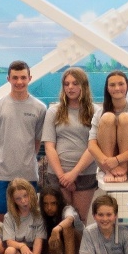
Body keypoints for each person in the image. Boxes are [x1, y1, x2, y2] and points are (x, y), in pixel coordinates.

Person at [0, 60, 46, 216]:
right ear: (8, 79)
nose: (19, 82)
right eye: (15, 78)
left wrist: (27, 159)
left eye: (23, 78)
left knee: (28, 219)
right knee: (0, 219)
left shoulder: (40, 108)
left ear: (30, 78)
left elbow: (37, 140)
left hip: (28, 174)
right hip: (2, 174)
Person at [42, 67, 99, 220]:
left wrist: (73, 174)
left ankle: (79, 246)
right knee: (62, 221)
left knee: (79, 220)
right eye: (66, 84)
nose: (70, 87)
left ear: (83, 86)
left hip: (85, 174)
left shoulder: (96, 111)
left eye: (75, 83)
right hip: (58, 175)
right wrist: (63, 177)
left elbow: (94, 147)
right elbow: (49, 147)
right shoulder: (54, 111)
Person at [92, 71, 128, 183]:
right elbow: (91, 145)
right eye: (112, 85)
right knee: (107, 117)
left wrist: (118, 160)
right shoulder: (100, 112)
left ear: (127, 86)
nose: (117, 88)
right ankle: (110, 171)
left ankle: (123, 167)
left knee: (125, 118)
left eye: (121, 84)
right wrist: (108, 163)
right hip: (107, 163)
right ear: (107, 88)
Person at [0, 178, 48, 254]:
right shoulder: (9, 217)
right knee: (9, 252)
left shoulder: (38, 215)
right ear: (13, 200)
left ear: (31, 193)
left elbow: (38, 241)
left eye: (25, 196)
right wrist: (21, 246)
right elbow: (9, 242)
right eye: (18, 199)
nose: (23, 201)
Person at [39, 186, 82, 254]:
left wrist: (56, 229)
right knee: (46, 240)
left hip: (80, 249)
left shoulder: (67, 209)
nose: (49, 208)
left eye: (53, 203)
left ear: (59, 202)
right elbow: (44, 251)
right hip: (61, 250)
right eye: (46, 204)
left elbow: (70, 219)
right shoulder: (42, 216)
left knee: (67, 228)